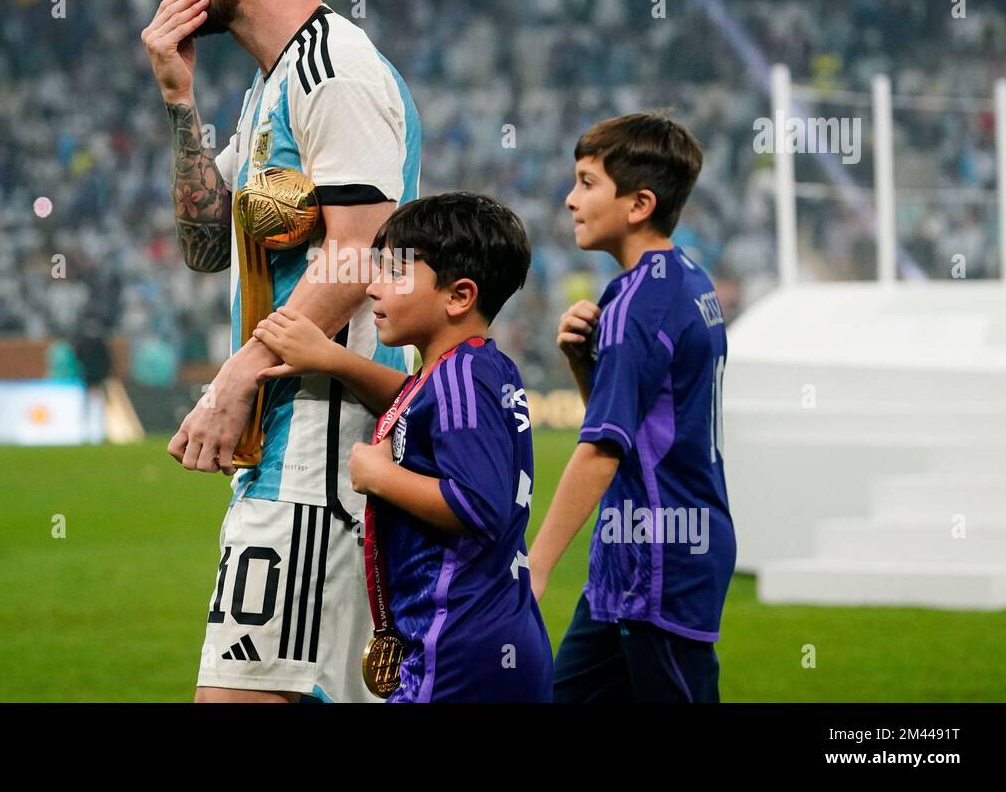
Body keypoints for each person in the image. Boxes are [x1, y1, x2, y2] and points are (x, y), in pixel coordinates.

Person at [141, 0, 421, 703]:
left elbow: (356, 252)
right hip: (292, 458)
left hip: (322, 458)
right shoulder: (274, 87)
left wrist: (236, 377)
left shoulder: (335, 67)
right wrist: (180, 101)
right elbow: (205, 243)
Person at [253, 193, 551, 702]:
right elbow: (411, 402)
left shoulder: (462, 378)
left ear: (458, 296)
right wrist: (332, 358)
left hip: (455, 646)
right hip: (485, 635)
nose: (372, 286)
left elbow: (479, 503)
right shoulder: (472, 368)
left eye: (394, 272)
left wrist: (379, 476)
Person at [528, 112, 736, 702]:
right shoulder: (684, 279)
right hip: (628, 560)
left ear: (639, 203)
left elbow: (601, 450)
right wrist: (581, 366)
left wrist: (535, 567)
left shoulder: (637, 302)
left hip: (661, 563)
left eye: (587, 183)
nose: (571, 200)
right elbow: (640, 431)